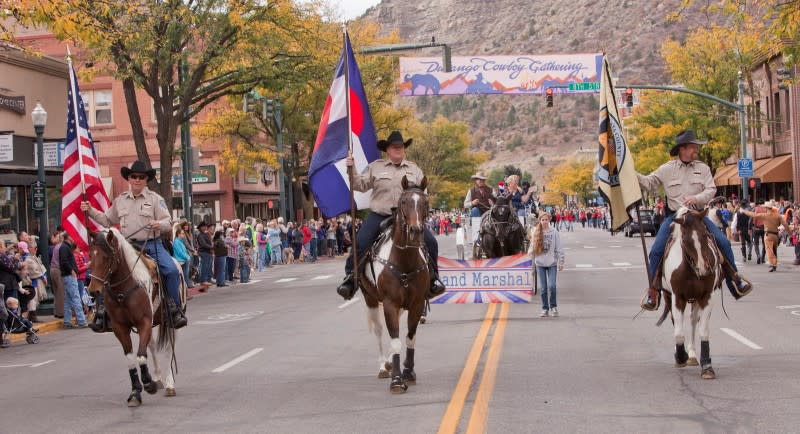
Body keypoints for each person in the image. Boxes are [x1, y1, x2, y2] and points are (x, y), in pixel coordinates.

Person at [636, 130, 752, 311]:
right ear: (682, 149)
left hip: (698, 217)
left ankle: (735, 281)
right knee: (656, 251)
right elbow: (649, 183)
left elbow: (711, 189)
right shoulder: (666, 169)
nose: (696, 149)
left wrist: (696, 199)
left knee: (723, 242)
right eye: (693, 146)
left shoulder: (703, 168)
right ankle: (654, 292)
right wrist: (630, 173)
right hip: (675, 218)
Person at [336, 130, 446, 300]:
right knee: (360, 242)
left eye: (401, 147)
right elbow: (359, 185)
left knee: (431, 242)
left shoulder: (414, 169)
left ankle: (433, 279)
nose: (398, 149)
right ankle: (351, 279)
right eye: (394, 147)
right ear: (387, 149)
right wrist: (351, 169)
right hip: (380, 214)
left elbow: (422, 193)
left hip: (407, 218)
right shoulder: (376, 167)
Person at [81, 160, 187, 329]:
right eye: (134, 176)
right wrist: (90, 210)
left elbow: (168, 221)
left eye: (141, 177)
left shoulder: (155, 199)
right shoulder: (120, 200)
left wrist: (158, 224)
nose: (137, 179)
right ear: (128, 178)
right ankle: (104, 313)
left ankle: (173, 310)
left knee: (171, 270)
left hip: (151, 244)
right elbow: (108, 220)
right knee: (105, 269)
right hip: (127, 246)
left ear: (146, 179)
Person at [529, 213, 564, 317]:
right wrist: (530, 263)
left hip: (552, 263)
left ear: (549, 220)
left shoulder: (554, 232)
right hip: (540, 263)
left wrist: (561, 262)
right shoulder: (535, 231)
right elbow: (532, 248)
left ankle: (553, 306)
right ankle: (545, 308)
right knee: (543, 288)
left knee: (552, 286)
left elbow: (559, 248)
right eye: (542, 220)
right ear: (540, 220)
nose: (544, 221)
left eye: (546, 220)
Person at [740, 203, 789, 272]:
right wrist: (790, 233)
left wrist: (744, 211)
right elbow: (785, 224)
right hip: (776, 235)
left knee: (769, 250)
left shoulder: (765, 215)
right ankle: (774, 264)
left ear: (766, 208)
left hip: (768, 234)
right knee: (774, 250)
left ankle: (773, 264)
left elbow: (754, 215)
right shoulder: (778, 216)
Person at [59, 233, 87, 328]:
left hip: (67, 275)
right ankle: (81, 320)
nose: (73, 238)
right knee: (76, 298)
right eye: (72, 236)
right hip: (69, 275)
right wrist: (72, 271)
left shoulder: (65, 247)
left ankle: (67, 321)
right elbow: (64, 261)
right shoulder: (64, 247)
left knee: (68, 300)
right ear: (68, 237)